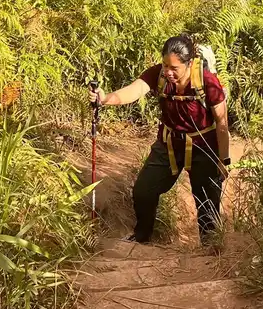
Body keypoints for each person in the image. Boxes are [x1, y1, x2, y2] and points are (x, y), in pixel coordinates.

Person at [89, 34, 230, 246]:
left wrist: (223, 159)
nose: (168, 72)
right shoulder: (159, 75)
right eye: (165, 65)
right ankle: (142, 236)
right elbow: (134, 91)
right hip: (169, 145)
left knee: (207, 199)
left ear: (189, 63)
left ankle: (210, 248)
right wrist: (105, 98)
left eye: (174, 68)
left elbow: (222, 123)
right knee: (143, 190)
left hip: (203, 146)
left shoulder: (207, 82)